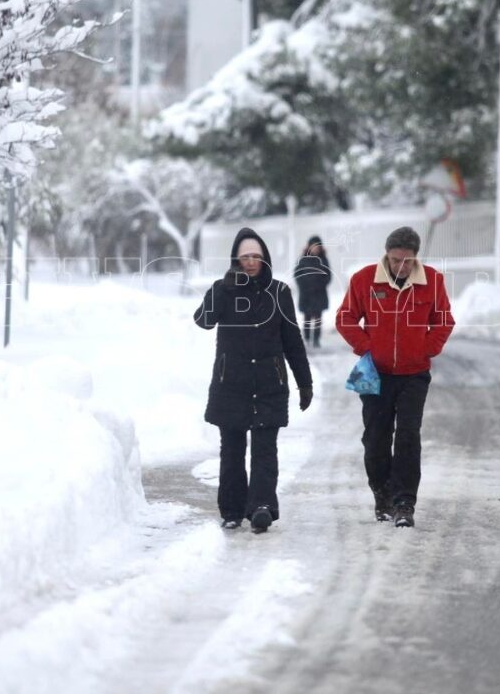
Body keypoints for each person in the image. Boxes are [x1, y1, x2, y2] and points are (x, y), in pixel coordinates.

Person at [194, 228, 313, 533]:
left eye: (255, 256)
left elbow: (292, 341)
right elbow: (203, 320)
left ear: (264, 259)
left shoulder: (280, 292)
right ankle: (232, 509)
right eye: (245, 257)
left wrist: (305, 382)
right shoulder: (223, 290)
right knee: (232, 451)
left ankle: (261, 506)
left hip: (269, 384)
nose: (250, 262)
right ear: (236, 259)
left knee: (265, 449)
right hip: (230, 384)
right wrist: (222, 289)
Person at [335, 226, 454, 528]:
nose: (401, 266)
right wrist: (367, 348)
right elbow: (345, 318)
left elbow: (444, 321)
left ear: (416, 258)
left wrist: (425, 349)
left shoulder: (433, 281)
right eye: (395, 260)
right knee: (375, 438)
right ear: (386, 255)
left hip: (414, 374)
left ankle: (404, 503)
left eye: (407, 261)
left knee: (408, 437)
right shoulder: (364, 279)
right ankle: (382, 494)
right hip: (372, 371)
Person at [293, 236, 333, 348]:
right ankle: (306, 339)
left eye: (317, 246)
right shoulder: (303, 259)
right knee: (307, 318)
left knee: (318, 318)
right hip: (306, 295)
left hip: (319, 294)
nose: (315, 249)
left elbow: (328, 276)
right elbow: (297, 275)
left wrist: (319, 285)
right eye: (313, 246)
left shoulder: (323, 260)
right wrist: (304, 286)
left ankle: (316, 339)